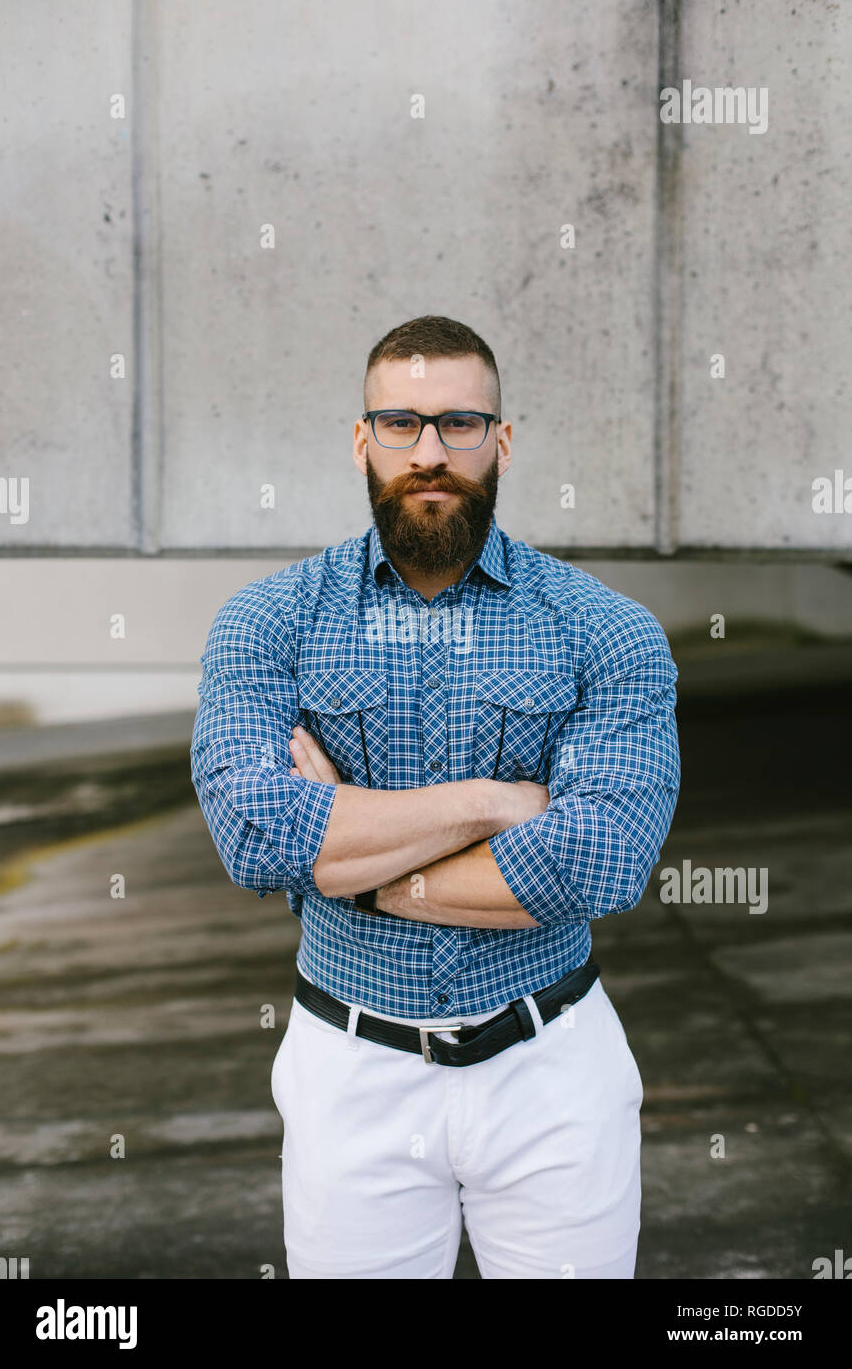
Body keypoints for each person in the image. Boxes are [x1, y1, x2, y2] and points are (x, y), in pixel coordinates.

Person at [190, 315, 681, 1279]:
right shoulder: (268, 622)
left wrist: (352, 865)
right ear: (361, 438)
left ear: (502, 441)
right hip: (351, 1071)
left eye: (459, 423)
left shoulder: (607, 632)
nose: (430, 453)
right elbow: (258, 838)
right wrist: (499, 802)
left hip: (553, 1072)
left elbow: (602, 858)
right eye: (401, 423)